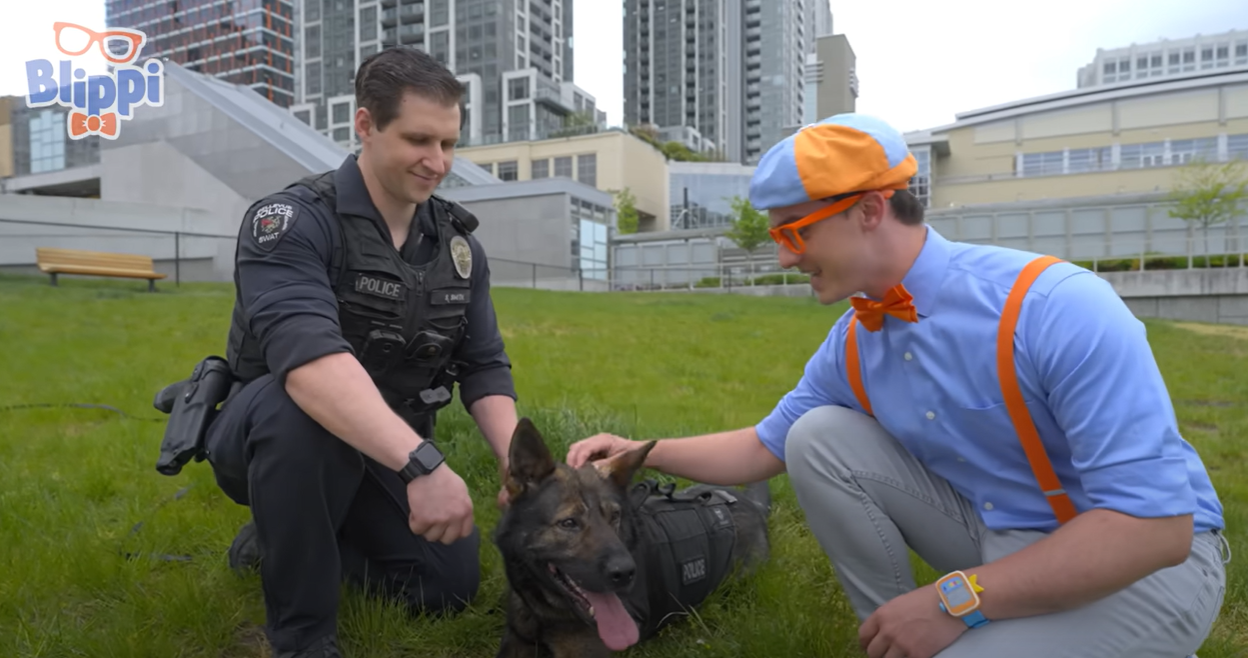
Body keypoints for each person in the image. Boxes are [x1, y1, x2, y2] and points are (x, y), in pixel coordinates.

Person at [566, 113, 1229, 658]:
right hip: (1005, 540)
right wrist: (637, 451)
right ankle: (898, 637)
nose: (784, 256)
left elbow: (1154, 529)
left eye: (795, 232)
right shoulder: (857, 340)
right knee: (816, 435)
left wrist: (954, 599)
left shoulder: (1054, 307)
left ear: (872, 209)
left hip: (1151, 568)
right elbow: (764, 447)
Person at [198, 47, 518, 658]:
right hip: (273, 434)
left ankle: (284, 538)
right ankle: (303, 637)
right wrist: (423, 464)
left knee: (444, 588)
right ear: (366, 125)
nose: (438, 162)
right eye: (419, 140)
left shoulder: (457, 247)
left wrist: (516, 462)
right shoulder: (291, 222)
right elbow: (310, 364)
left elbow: (484, 364)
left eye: (449, 143)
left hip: (383, 448)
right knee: (304, 408)